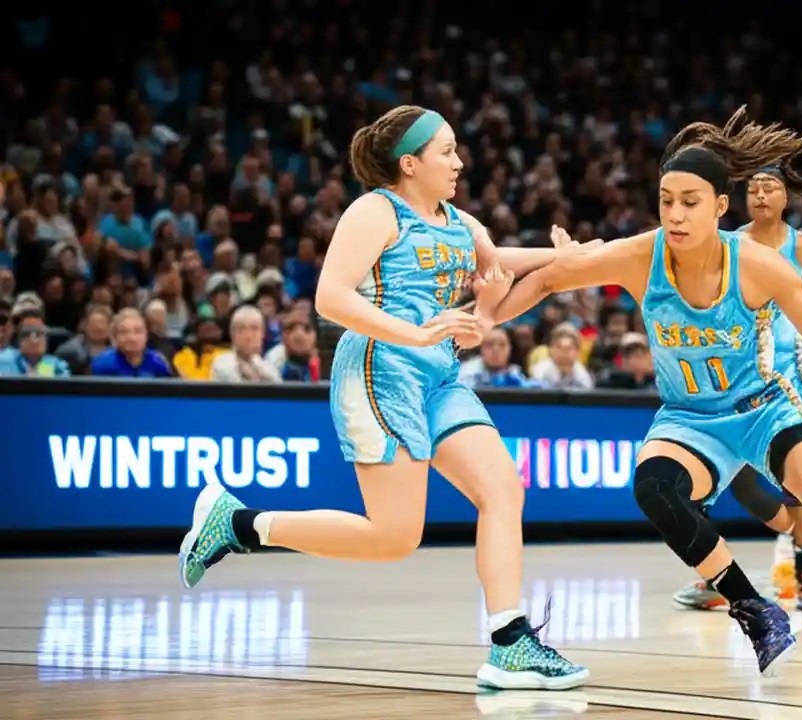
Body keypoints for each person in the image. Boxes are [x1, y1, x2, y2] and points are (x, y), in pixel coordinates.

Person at [486, 107, 802, 689]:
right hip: (689, 420)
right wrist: (483, 320)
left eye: (690, 201)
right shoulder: (638, 256)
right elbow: (547, 278)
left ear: (722, 206)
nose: (674, 213)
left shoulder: (757, 264)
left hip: (761, 411)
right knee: (654, 489)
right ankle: (756, 611)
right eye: (666, 199)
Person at [176, 105, 590, 689]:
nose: (459, 161)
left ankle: (510, 642)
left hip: (439, 377)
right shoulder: (375, 211)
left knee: (502, 488)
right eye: (447, 151)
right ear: (410, 162)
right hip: (378, 371)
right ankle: (240, 525)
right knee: (395, 537)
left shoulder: (460, 222)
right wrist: (414, 331)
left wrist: (568, 257)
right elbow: (330, 297)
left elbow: (499, 264)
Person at [672, 162, 802, 613]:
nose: (762, 195)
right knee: (742, 483)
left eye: (770, 188)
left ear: (787, 197)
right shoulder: (730, 243)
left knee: (793, 474)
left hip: (792, 371)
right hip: (735, 370)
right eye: (754, 189)